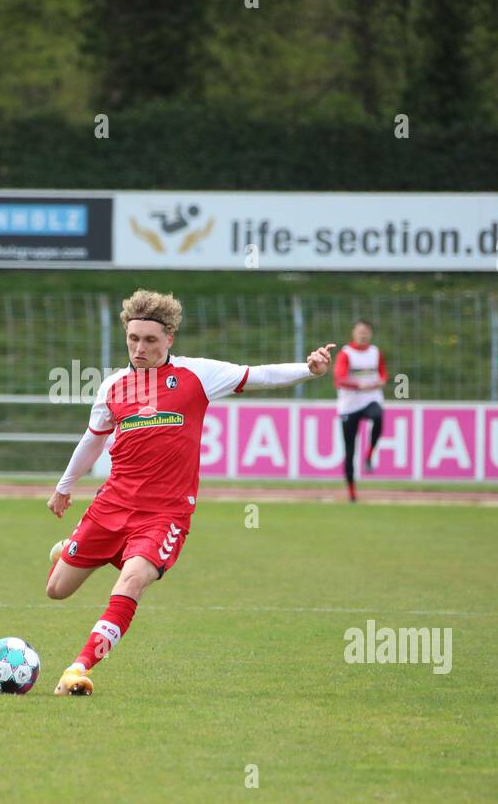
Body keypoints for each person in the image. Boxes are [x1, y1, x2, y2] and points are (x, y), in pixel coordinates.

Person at [44, 289, 335, 696]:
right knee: (56, 590)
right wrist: (64, 488)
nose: (140, 348)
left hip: (165, 515)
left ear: (169, 339)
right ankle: (78, 550)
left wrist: (309, 369)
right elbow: (93, 440)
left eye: (150, 340)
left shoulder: (197, 375)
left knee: (131, 582)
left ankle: (78, 668)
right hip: (111, 507)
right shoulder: (113, 386)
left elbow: (258, 375)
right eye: (133, 339)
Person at [332, 319, 387, 503]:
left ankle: (370, 453)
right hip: (349, 404)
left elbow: (382, 373)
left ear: (370, 334)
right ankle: (352, 492)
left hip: (371, 399)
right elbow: (339, 379)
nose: (363, 334)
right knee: (350, 450)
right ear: (353, 333)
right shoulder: (345, 354)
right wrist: (358, 385)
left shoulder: (375, 352)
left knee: (378, 416)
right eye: (360, 331)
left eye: (366, 331)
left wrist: (381, 381)